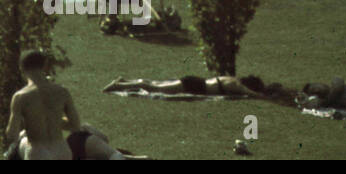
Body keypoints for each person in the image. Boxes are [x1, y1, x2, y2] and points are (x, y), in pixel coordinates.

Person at [7, 50, 80, 160]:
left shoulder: (20, 96)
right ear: (45, 66)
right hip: (62, 150)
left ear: (21, 68)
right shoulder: (62, 91)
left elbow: (12, 134)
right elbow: (75, 126)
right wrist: (55, 120)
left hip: (37, 152)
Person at [103, 75, 281, 98]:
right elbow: (253, 94)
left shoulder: (232, 79)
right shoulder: (236, 86)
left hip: (195, 81)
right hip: (193, 86)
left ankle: (124, 81)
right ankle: (118, 85)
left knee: (156, 84)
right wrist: (267, 95)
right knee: (154, 88)